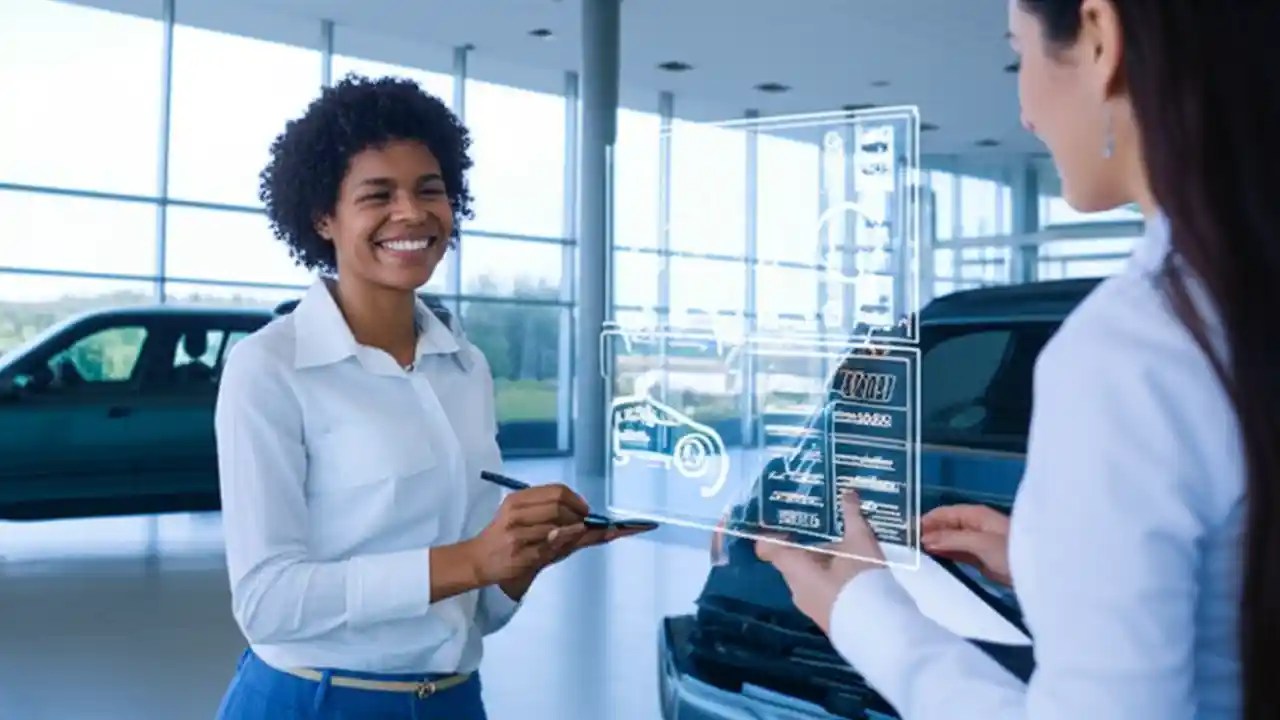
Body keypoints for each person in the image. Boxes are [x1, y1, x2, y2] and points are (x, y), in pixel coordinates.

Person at [758, 1, 1279, 718]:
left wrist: (860, 609)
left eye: (1019, 56)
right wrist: (1054, 566)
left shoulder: (1132, 349)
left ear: (1100, 35)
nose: (1027, 113)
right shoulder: (1234, 306)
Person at [213, 74, 647, 719]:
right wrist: (472, 559)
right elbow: (267, 600)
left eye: (430, 191)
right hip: (314, 703)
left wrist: (518, 562)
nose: (412, 214)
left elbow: (475, 614)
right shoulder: (270, 367)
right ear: (323, 217)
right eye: (377, 195)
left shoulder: (464, 366)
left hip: (451, 700)